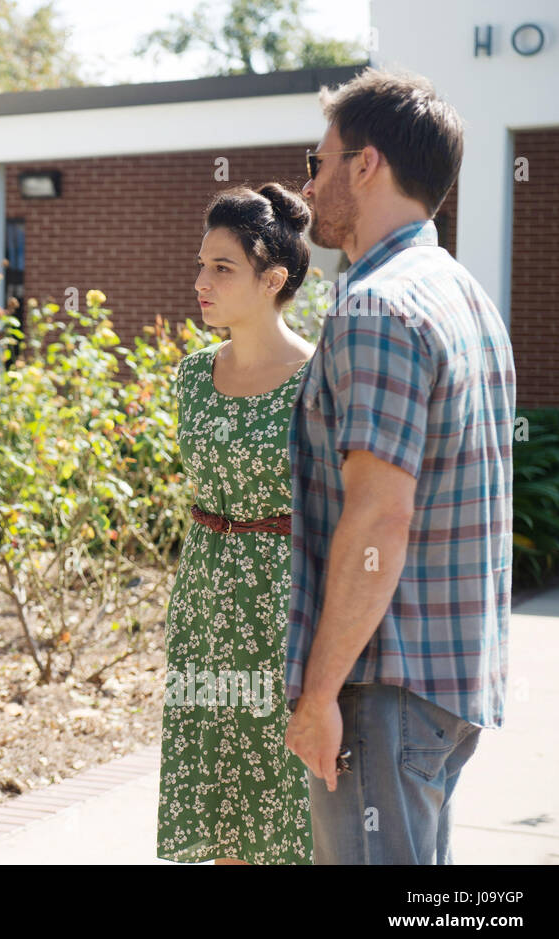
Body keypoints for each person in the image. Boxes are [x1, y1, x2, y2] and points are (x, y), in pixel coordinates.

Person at [284, 68, 515, 864]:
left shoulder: (376, 308)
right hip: (449, 683)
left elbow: (379, 516)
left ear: (366, 164)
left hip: (384, 685)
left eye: (317, 163)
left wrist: (318, 697)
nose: (306, 186)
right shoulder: (467, 298)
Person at [157, 183, 316, 865]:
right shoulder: (192, 375)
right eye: (201, 264)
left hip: (283, 608)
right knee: (217, 793)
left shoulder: (320, 378)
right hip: (204, 599)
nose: (201, 282)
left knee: (283, 794)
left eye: (222, 267)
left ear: (273, 278)